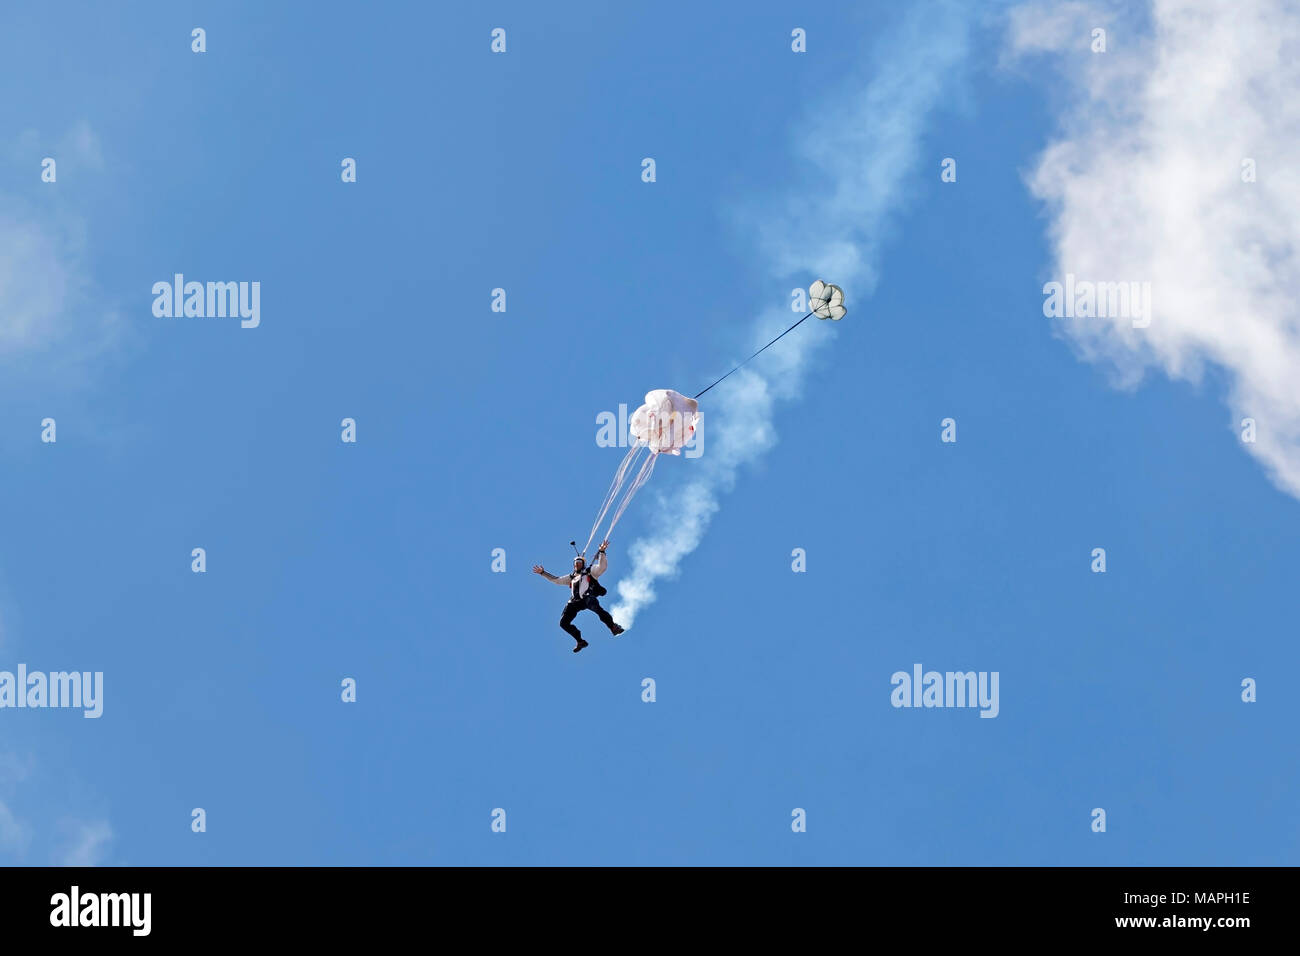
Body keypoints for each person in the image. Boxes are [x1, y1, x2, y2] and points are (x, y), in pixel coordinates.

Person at [532, 539, 624, 652]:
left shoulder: (590, 571)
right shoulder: (571, 577)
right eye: (576, 564)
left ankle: (612, 626)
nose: (577, 565)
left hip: (587, 598)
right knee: (563, 623)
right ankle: (580, 641)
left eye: (579, 563)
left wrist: (602, 552)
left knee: (598, 610)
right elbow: (556, 580)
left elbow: (602, 567)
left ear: (583, 564)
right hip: (574, 602)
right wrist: (543, 573)